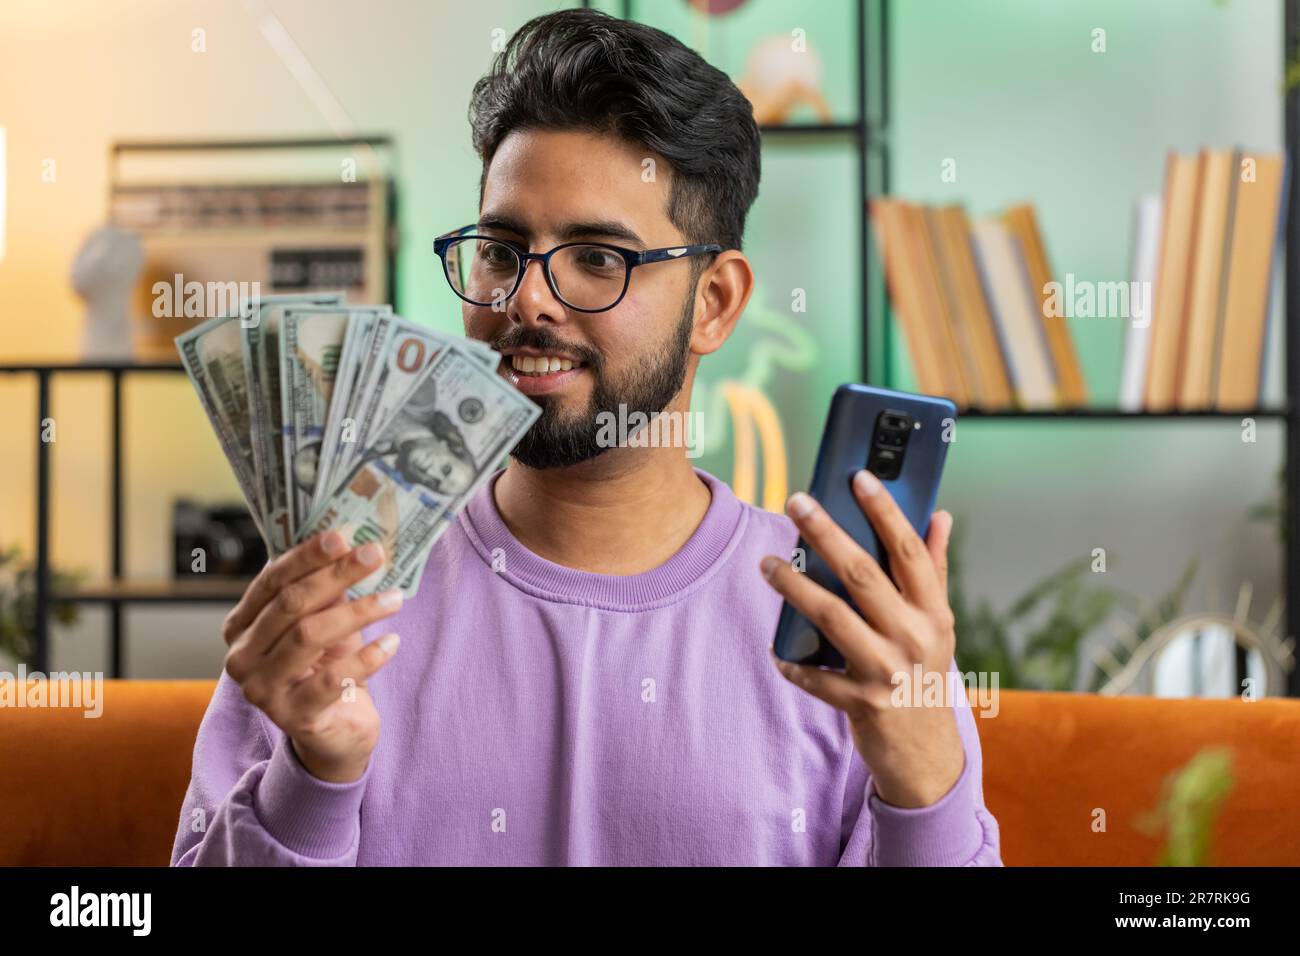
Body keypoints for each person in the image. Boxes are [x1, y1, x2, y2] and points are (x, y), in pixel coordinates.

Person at [172, 8, 1001, 866]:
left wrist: (925, 782)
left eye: (599, 258)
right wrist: (315, 775)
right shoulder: (333, 602)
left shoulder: (843, 627)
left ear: (714, 303)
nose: (527, 299)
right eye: (501, 248)